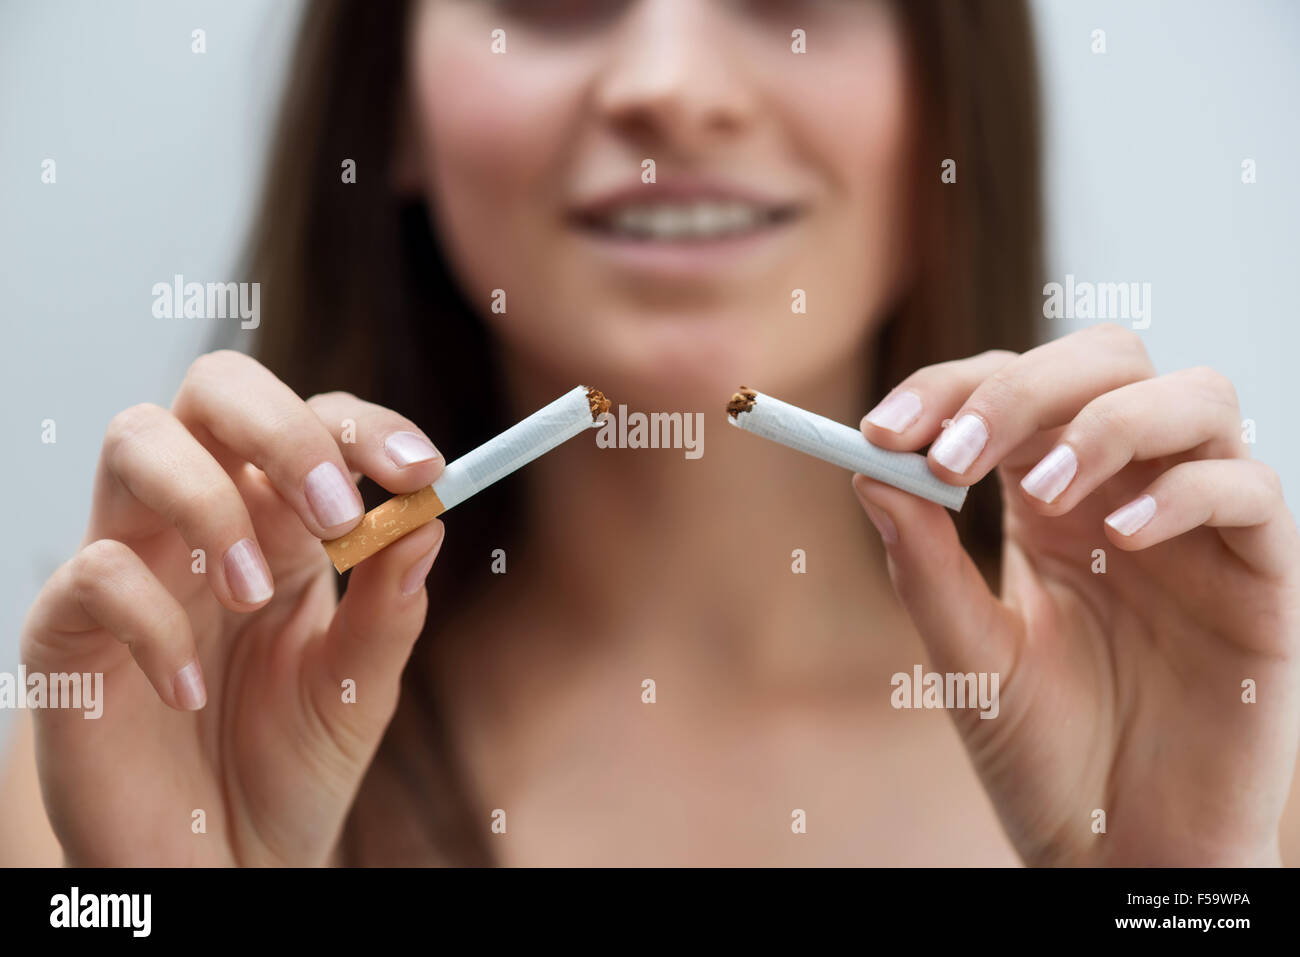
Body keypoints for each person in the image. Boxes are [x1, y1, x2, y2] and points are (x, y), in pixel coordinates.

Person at [4, 0, 1298, 866]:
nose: (672, 90)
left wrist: (1165, 893)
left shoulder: (1238, 767)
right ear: (387, 101)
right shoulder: (131, 764)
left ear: (952, 93)